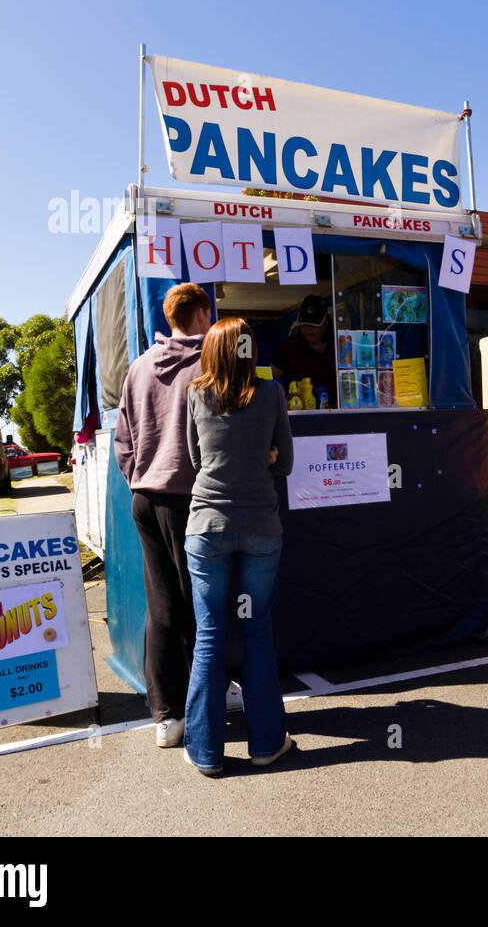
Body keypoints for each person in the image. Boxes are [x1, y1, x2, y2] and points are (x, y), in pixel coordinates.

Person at [183, 317, 295, 775]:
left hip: (206, 527)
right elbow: (284, 462)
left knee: (209, 637)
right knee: (257, 632)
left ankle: (207, 753)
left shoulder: (195, 393)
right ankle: (266, 744)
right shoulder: (271, 393)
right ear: (250, 351)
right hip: (260, 529)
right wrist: (262, 453)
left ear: (211, 352)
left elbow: (195, 460)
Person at [114, 282, 213, 749]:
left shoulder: (138, 367)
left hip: (145, 499)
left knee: (162, 605)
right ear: (200, 316)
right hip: (188, 498)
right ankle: (202, 702)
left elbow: (123, 440)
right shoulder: (211, 361)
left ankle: (166, 715)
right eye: (209, 316)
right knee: (199, 605)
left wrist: (139, 475)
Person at [271, 293, 337, 401]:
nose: (308, 329)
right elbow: (271, 378)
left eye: (313, 325)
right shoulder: (288, 347)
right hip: (299, 413)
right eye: (304, 324)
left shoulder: (339, 346)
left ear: (325, 323)